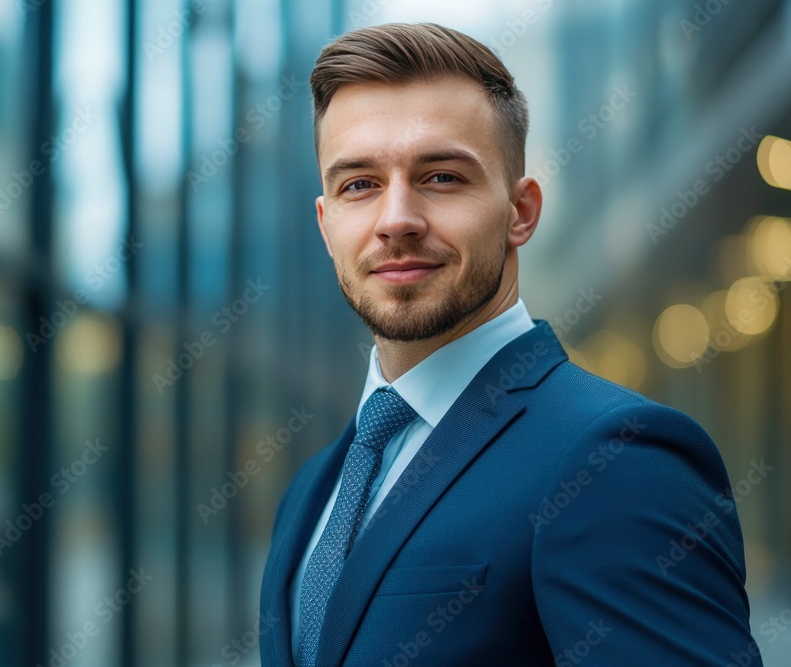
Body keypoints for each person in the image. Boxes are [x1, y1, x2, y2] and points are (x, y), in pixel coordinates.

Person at [259, 22, 759, 667]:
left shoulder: (617, 458)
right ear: (327, 226)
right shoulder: (312, 490)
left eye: (442, 177)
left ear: (521, 211)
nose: (396, 220)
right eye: (359, 184)